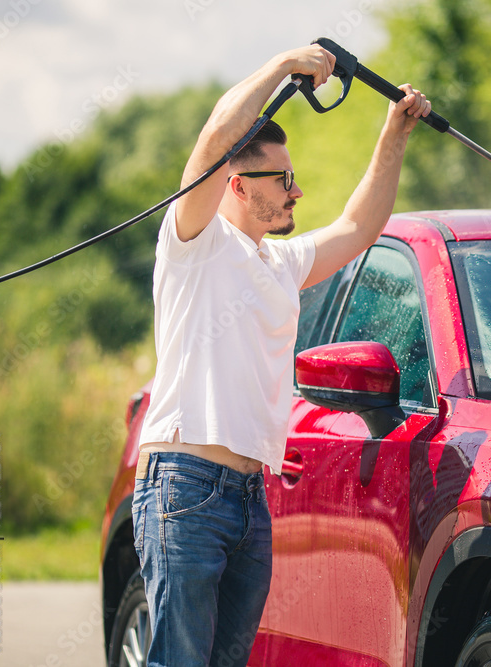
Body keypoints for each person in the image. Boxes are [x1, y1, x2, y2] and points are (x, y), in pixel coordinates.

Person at [130, 43, 431, 667]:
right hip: (185, 486)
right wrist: (277, 68)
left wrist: (394, 133)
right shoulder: (194, 244)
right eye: (282, 179)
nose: (297, 190)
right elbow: (216, 137)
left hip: (248, 495)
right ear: (237, 185)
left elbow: (358, 226)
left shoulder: (279, 261)